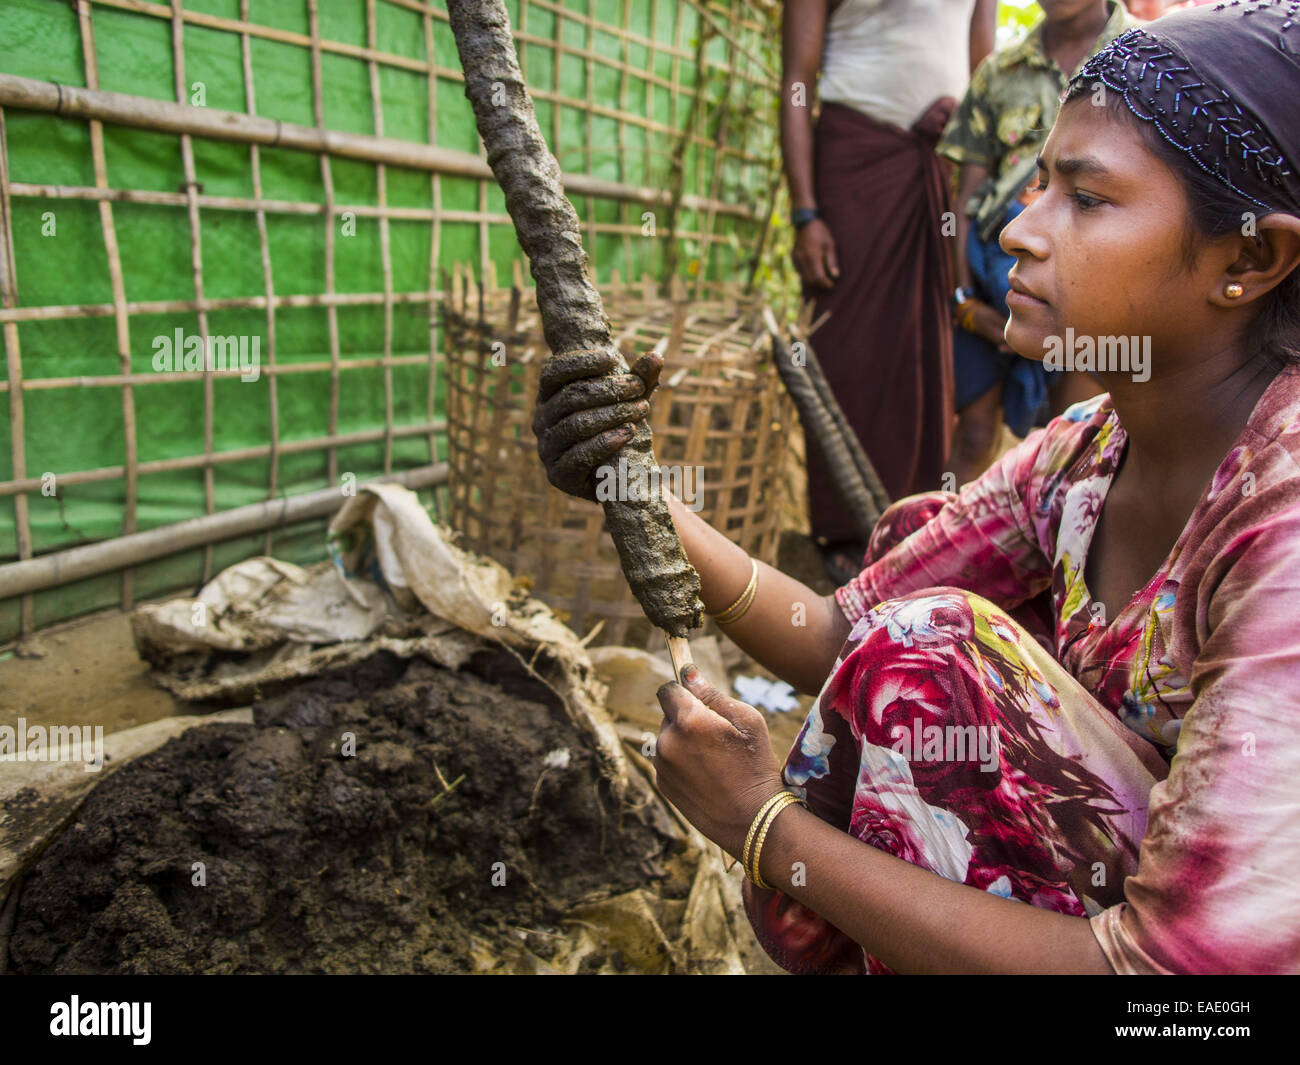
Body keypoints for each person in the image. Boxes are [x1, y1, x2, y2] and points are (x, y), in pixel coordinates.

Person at [533, 1, 1300, 973]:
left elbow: (1178, 989)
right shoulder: (1082, 455)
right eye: (1033, 188)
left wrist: (767, 829)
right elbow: (836, 634)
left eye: (1086, 198)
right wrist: (631, 485)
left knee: (935, 652)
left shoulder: (1281, 526)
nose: (1019, 231)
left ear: (1248, 257)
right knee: (917, 630)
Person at [781, 0, 997, 584]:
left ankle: (908, 524)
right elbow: (798, 80)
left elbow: (987, 78)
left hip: (941, 170)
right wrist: (806, 214)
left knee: (923, 345)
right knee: (848, 346)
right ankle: (845, 531)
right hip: (853, 163)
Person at [940, 0, 1141, 487]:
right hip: (994, 273)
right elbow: (964, 198)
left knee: (1077, 439)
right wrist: (966, 300)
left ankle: (1063, 561)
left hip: (1088, 282)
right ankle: (934, 553)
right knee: (973, 435)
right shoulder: (1000, 72)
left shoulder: (1147, 59)